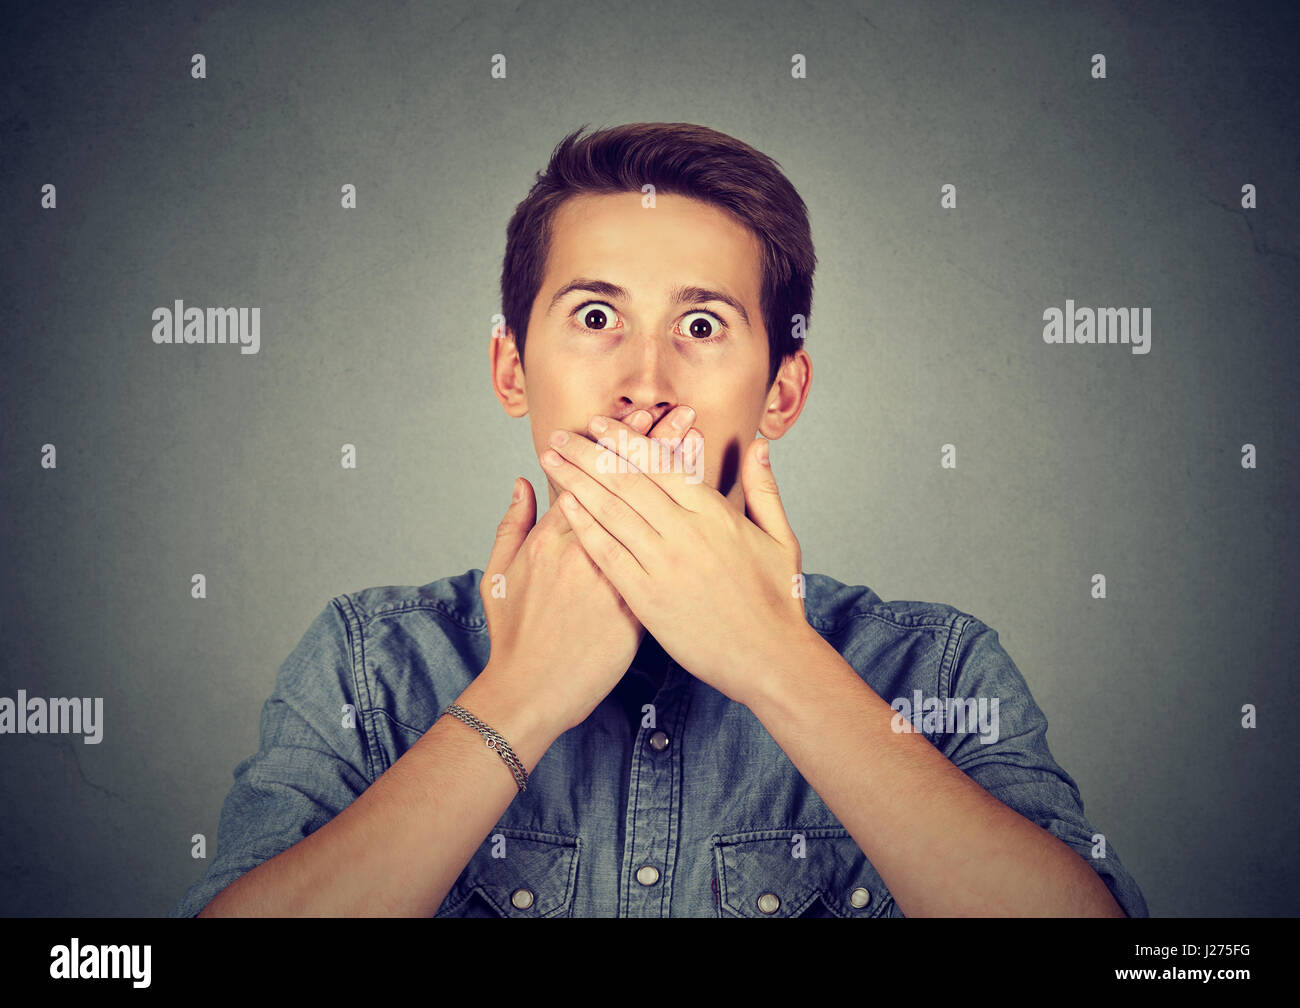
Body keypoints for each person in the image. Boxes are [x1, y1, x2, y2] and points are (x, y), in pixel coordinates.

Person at [171, 122, 1147, 917]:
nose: (644, 384)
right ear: (513, 369)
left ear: (782, 390)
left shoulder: (938, 669)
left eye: (702, 326)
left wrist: (776, 659)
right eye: (595, 318)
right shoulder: (369, 666)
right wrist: (516, 700)